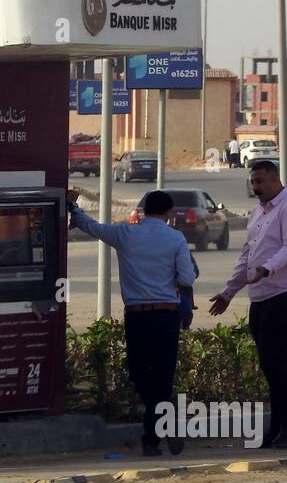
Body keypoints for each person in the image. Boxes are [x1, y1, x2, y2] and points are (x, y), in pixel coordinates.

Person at [69, 188, 196, 457]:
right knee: (162, 376)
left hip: (137, 316)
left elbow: (92, 227)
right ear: (168, 213)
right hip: (166, 315)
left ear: (144, 210)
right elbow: (186, 278)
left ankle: (153, 436)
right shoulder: (176, 238)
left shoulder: (126, 233)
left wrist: (73, 209)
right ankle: (158, 430)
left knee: (139, 374)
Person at [208, 159, 287, 448]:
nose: (256, 187)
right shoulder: (258, 212)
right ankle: (279, 425)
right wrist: (229, 292)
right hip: (262, 294)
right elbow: (246, 255)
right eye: (253, 182)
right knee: (269, 362)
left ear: (274, 179)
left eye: (261, 181)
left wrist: (266, 269)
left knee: (275, 357)